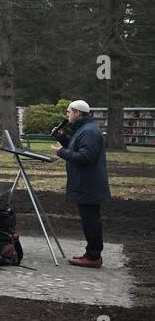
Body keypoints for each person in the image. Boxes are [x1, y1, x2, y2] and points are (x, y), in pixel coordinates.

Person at [54, 100, 110, 268]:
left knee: (91, 220)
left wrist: (60, 152)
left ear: (78, 113)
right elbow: (77, 147)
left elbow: (85, 157)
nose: (67, 115)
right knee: (89, 220)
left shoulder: (89, 131)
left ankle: (93, 257)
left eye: (69, 111)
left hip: (88, 184)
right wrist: (63, 138)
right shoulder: (86, 129)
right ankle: (91, 254)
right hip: (87, 183)